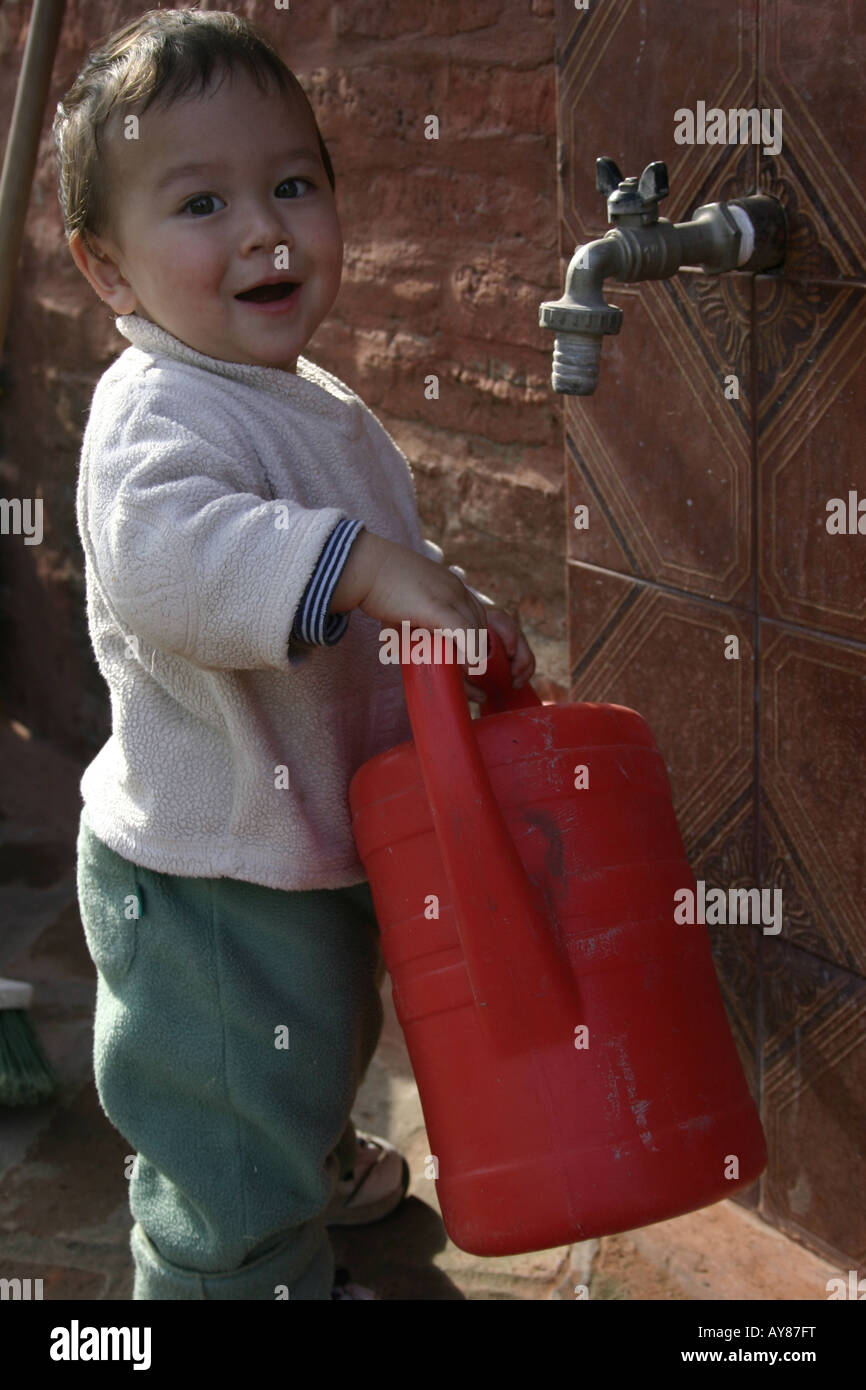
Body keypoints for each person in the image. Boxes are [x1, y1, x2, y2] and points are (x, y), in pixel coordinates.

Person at [55, 6, 535, 1300]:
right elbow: (172, 563)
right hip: (209, 876)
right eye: (200, 202)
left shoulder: (305, 395)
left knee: (311, 1040)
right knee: (223, 1107)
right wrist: (368, 570)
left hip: (311, 837)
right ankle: (234, 1265)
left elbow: (378, 553)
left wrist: (457, 610)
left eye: (291, 185)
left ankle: (306, 1150)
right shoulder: (149, 414)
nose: (265, 228)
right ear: (108, 271)